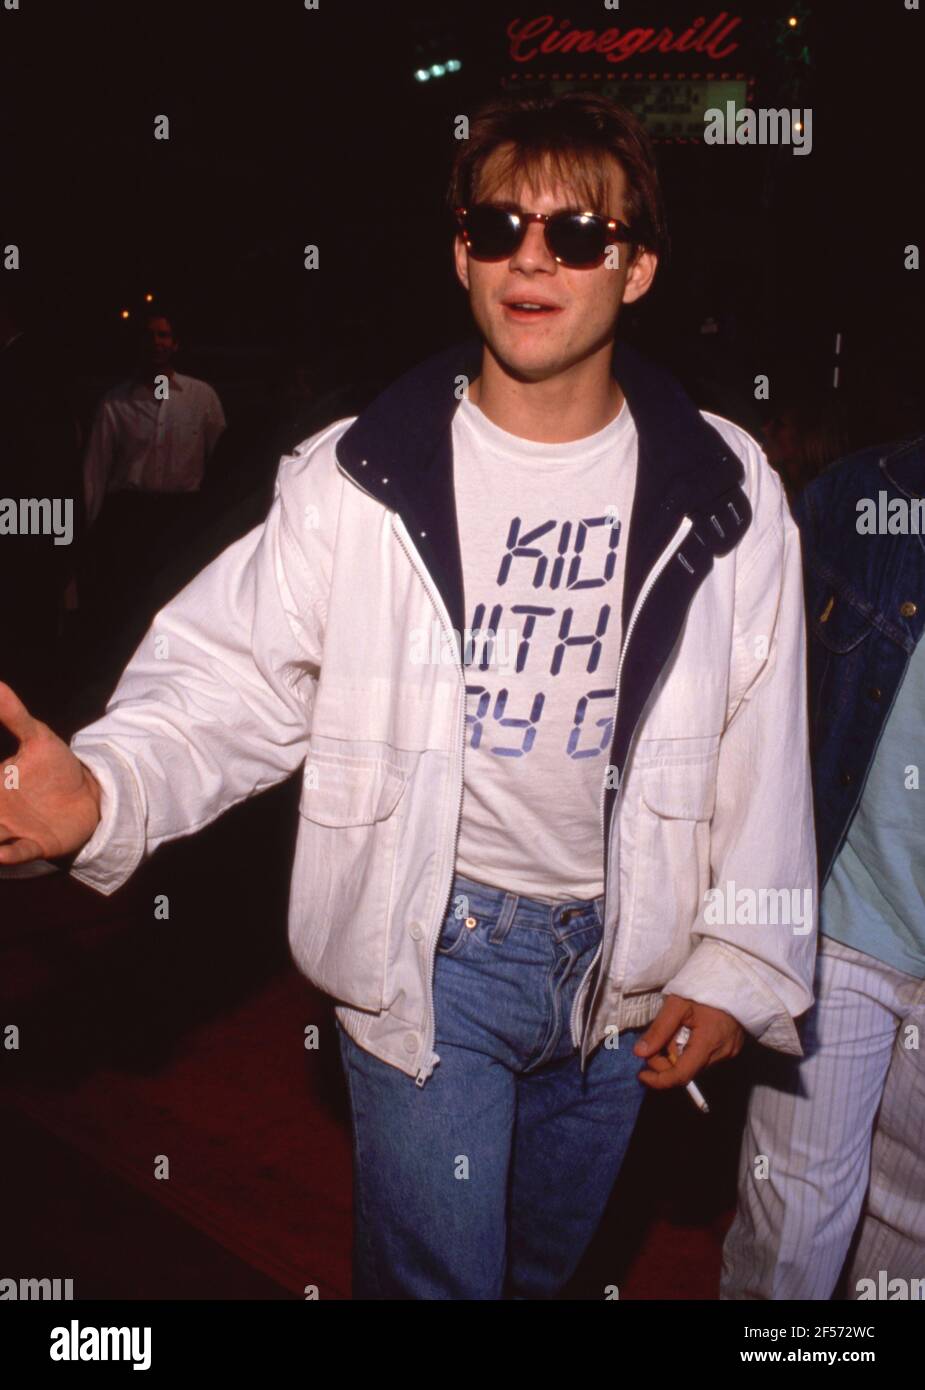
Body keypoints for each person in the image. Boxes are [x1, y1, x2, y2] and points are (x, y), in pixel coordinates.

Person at [0, 91, 816, 1300]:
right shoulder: (362, 474)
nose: (531, 259)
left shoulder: (723, 482)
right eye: (497, 228)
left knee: (540, 1271)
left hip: (628, 959)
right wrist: (107, 791)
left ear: (636, 268)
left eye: (577, 235)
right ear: (460, 255)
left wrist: (738, 959)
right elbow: (230, 677)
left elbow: (767, 725)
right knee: (439, 1279)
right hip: (433, 949)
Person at [721, 434, 925, 1300]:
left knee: (908, 1232)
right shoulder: (862, 502)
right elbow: (755, 698)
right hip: (841, 923)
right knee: (789, 1233)